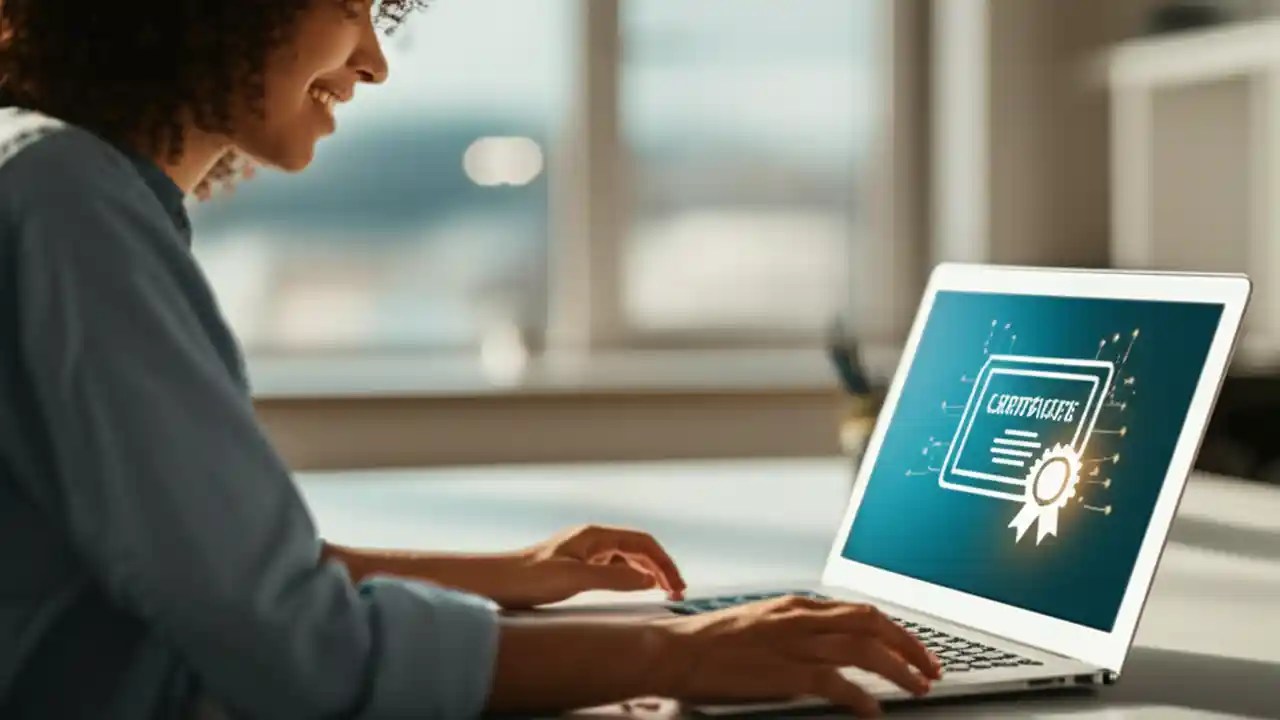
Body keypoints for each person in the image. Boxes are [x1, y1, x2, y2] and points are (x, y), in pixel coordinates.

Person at [0, 1, 941, 718]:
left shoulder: (53, 179)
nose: (372, 60)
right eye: (351, 6)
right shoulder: (69, 202)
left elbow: (221, 571)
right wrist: (677, 655)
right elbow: (294, 647)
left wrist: (515, 570)